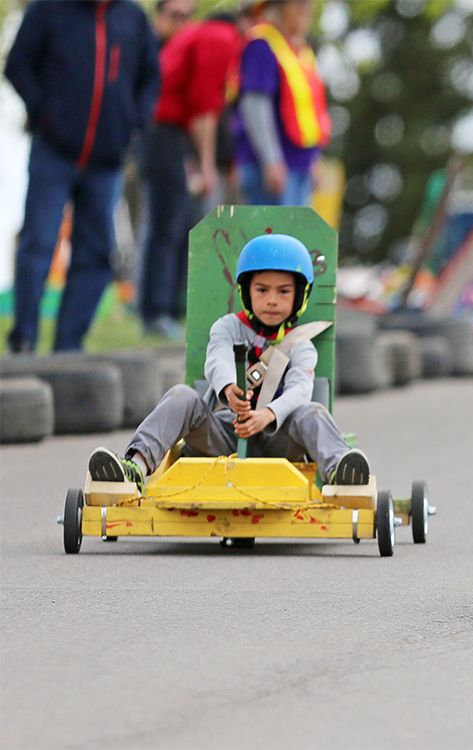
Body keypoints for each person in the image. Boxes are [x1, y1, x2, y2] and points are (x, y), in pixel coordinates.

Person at [87, 233, 369, 491]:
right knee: (181, 395)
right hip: (224, 433)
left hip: (278, 440)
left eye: (283, 291)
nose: (272, 300)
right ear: (247, 292)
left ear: (299, 297)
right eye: (262, 290)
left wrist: (267, 414)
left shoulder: (301, 345)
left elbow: (300, 390)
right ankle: (134, 467)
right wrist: (228, 388)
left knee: (313, 412)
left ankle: (341, 472)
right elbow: (217, 360)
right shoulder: (227, 327)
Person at [3, 0, 160, 353]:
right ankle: (24, 338)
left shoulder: (133, 18)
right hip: (53, 153)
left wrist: (134, 121)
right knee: (39, 243)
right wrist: (44, 112)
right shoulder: (47, 9)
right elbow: (17, 65)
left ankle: (69, 344)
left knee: (96, 253)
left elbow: (150, 76)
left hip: (107, 161)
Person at [138, 8, 249, 339]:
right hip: (165, 134)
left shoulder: (199, 34)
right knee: (167, 226)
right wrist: (206, 164)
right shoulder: (220, 38)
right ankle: (155, 312)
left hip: (168, 135)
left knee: (177, 224)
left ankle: (169, 309)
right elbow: (204, 106)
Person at [233, 0, 330, 206]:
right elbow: (255, 107)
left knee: (294, 236)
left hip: (299, 166)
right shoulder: (261, 45)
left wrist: (313, 159)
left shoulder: (300, 50)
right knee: (270, 235)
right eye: (299, 4)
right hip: (271, 169)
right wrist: (271, 160)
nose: (306, 10)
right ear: (278, 7)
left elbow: (308, 113)